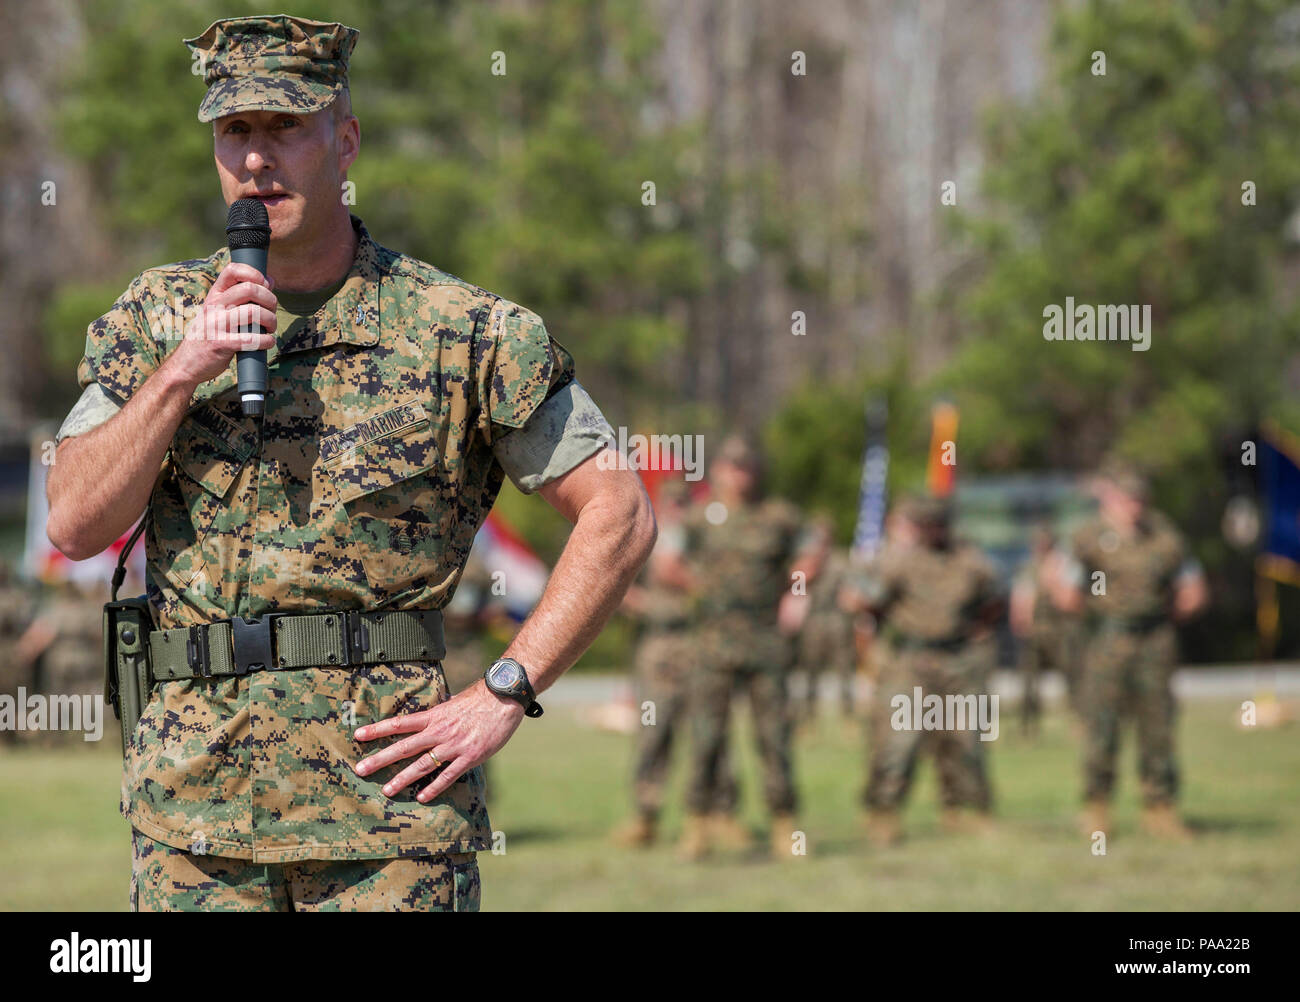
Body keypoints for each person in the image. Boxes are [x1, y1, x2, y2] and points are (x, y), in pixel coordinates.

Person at [45, 14, 654, 912]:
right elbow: (73, 522)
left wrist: (504, 692)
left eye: (285, 127)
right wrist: (181, 372)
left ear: (346, 140)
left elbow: (621, 513)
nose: (256, 160)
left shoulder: (466, 331)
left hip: (389, 825)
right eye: (235, 131)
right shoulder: (155, 317)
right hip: (194, 825)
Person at [677, 437, 817, 861]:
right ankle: (698, 826)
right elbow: (666, 558)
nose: (740, 475)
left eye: (747, 467)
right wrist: (696, 590)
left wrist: (797, 591)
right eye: (732, 466)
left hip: (764, 638)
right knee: (706, 737)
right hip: (713, 640)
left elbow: (813, 551)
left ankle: (784, 825)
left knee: (774, 736)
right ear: (718, 470)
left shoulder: (779, 516)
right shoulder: (699, 518)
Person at [1051, 463, 1208, 840]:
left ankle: (1160, 806)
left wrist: (1165, 615)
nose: (1133, 506)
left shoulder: (1164, 537)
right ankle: (1097, 806)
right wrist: (1100, 615)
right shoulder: (1087, 538)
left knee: (1159, 724)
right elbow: (1066, 591)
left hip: (1155, 639)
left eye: (1139, 499)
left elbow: (1192, 587)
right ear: (1109, 499)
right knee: (1102, 724)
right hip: (1108, 638)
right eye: (1126, 498)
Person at [847, 494, 1003, 847]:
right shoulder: (897, 561)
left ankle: (965, 810)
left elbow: (993, 601)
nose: (932, 530)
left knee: (966, 739)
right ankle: (883, 813)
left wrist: (975, 630)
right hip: (909, 661)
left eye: (938, 523)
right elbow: (863, 602)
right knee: (899, 742)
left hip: (957, 660)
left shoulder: (970, 561)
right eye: (925, 524)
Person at [611, 481, 738, 849]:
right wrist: (650, 606)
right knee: (655, 732)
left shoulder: (706, 545)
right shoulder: (644, 540)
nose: (678, 512)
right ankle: (645, 816)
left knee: (713, 732)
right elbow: (614, 584)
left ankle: (720, 814)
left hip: (702, 644)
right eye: (673, 505)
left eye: (685, 505)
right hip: (660, 646)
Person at [1010, 524, 1084, 736]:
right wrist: (1020, 619)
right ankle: (1027, 726)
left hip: (1061, 628)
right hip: (1035, 629)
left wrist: (1053, 579)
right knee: (1028, 679)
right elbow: (1021, 594)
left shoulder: (1066, 565)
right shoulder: (1028, 567)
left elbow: (1070, 600)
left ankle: (1079, 721)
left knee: (1072, 675)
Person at [793, 515, 857, 721]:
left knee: (844, 667)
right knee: (811, 667)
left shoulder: (840, 561)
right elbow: (796, 591)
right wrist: (807, 572)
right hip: (814, 618)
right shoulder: (805, 561)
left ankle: (847, 713)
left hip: (837, 618)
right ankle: (808, 713)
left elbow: (851, 590)